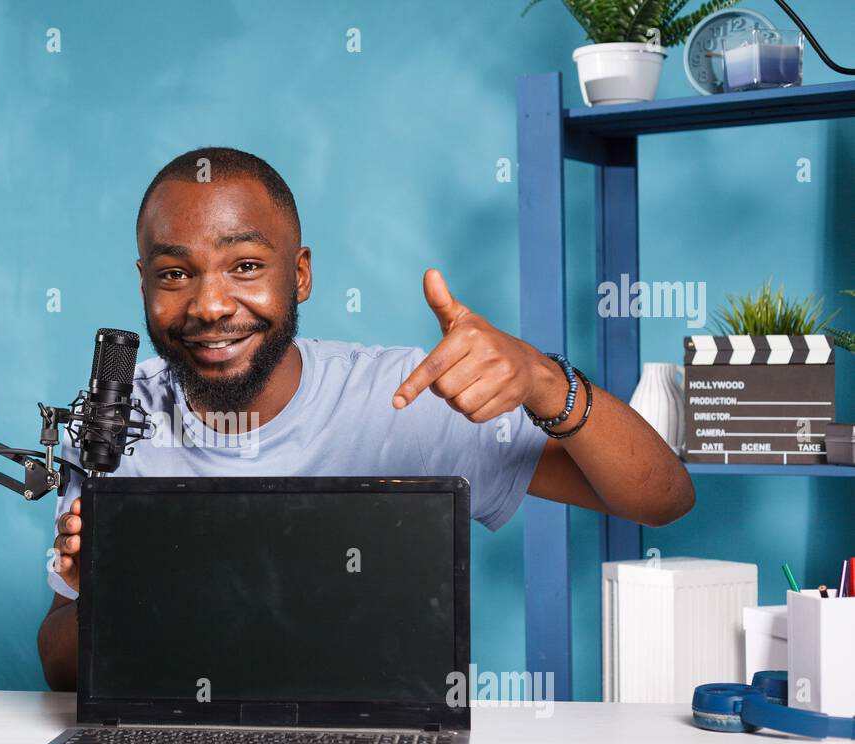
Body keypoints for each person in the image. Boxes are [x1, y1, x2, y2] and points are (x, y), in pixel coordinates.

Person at [37, 147, 694, 690]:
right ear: (145, 283)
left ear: (300, 275)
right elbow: (62, 668)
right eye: (175, 272)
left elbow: (662, 497)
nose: (211, 305)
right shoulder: (115, 417)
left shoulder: (407, 398)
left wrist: (547, 382)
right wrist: (96, 591)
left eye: (245, 266)